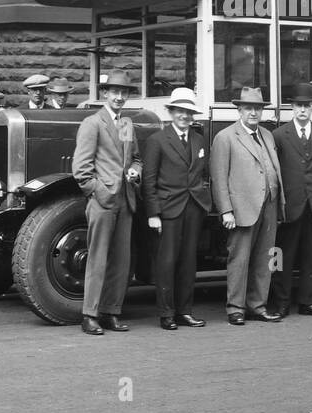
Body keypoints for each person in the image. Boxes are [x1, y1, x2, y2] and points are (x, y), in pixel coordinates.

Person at [72, 71, 142, 334]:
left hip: (126, 200)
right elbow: (81, 170)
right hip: (103, 201)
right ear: (105, 94)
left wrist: (135, 171)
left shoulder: (126, 124)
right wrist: (99, 192)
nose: (120, 97)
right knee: (98, 259)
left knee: (121, 261)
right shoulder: (93, 123)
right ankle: (89, 315)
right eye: (115, 92)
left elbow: (136, 158)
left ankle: (111, 312)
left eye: (124, 93)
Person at [211, 87, 285, 326]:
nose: (254, 113)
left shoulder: (267, 135)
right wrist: (226, 210)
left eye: (258, 108)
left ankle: (258, 305)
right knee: (239, 259)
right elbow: (219, 178)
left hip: (269, 206)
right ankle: (235, 308)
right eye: (249, 108)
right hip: (242, 208)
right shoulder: (225, 137)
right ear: (239, 110)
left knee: (267, 258)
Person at [141, 88, 211, 330]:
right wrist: (153, 214)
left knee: (189, 262)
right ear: (171, 112)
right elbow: (148, 181)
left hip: (193, 208)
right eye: (179, 111)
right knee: (167, 262)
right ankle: (167, 314)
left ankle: (185, 312)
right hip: (168, 209)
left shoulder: (199, 140)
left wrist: (202, 202)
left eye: (188, 112)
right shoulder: (157, 141)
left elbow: (202, 174)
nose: (184, 116)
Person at [268, 82, 312, 318]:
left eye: (307, 106)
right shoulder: (279, 135)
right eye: (298, 105)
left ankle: (308, 302)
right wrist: (277, 206)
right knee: (281, 255)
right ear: (292, 108)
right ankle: (282, 302)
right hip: (290, 206)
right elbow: (274, 173)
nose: (303, 110)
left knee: (311, 255)